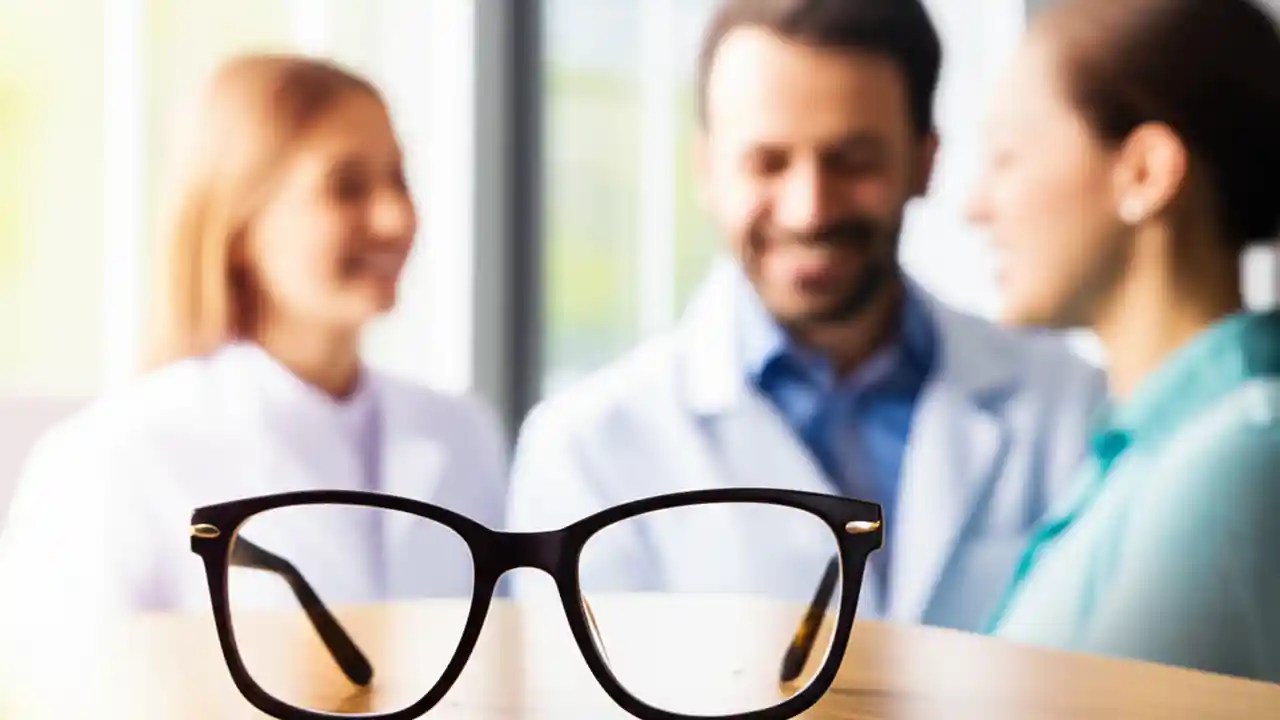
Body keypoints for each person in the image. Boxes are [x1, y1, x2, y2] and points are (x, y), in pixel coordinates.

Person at [508, 0, 1104, 632]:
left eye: (853, 161)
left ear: (924, 161)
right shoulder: (588, 449)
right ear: (706, 169)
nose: (809, 210)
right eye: (767, 162)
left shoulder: (1068, 407)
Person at [0, 54, 506, 649]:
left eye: (398, 179)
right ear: (238, 222)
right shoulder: (113, 457)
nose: (394, 218)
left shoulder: (462, 434)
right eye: (346, 188)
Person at [970, 0, 1280, 682]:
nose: (975, 206)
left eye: (1007, 157)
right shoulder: (1147, 452)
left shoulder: (1238, 463)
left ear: (1143, 173)